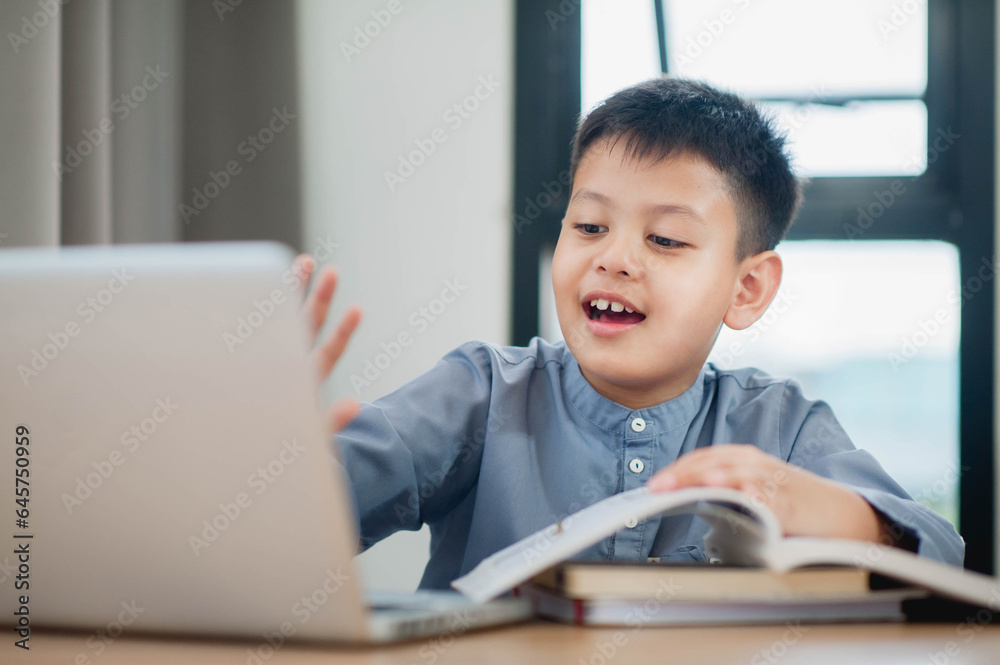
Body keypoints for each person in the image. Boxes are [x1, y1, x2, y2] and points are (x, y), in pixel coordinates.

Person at [294, 76, 965, 590]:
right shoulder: (483, 392)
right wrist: (258, 444)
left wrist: (821, 508)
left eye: (666, 238)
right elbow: (281, 532)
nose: (613, 257)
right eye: (588, 226)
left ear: (747, 288)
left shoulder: (780, 426)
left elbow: (940, 550)